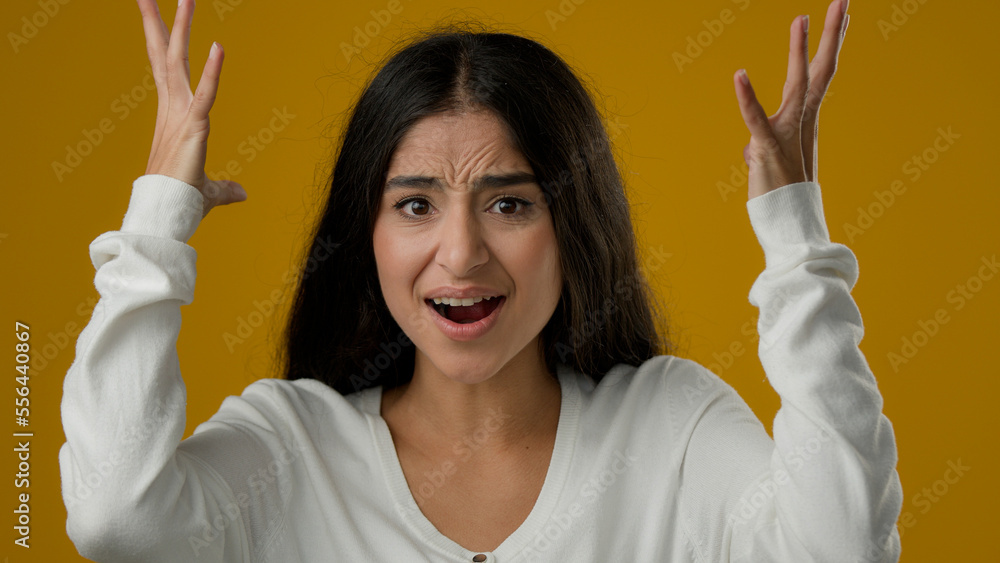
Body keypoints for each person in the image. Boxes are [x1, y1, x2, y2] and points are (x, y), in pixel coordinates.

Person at [60, 0, 903, 560]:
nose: (460, 255)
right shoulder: (292, 445)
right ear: (370, 237)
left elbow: (842, 543)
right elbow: (112, 516)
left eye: (509, 204)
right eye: (416, 205)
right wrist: (156, 222)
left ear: (572, 225)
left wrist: (795, 241)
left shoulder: (671, 428)